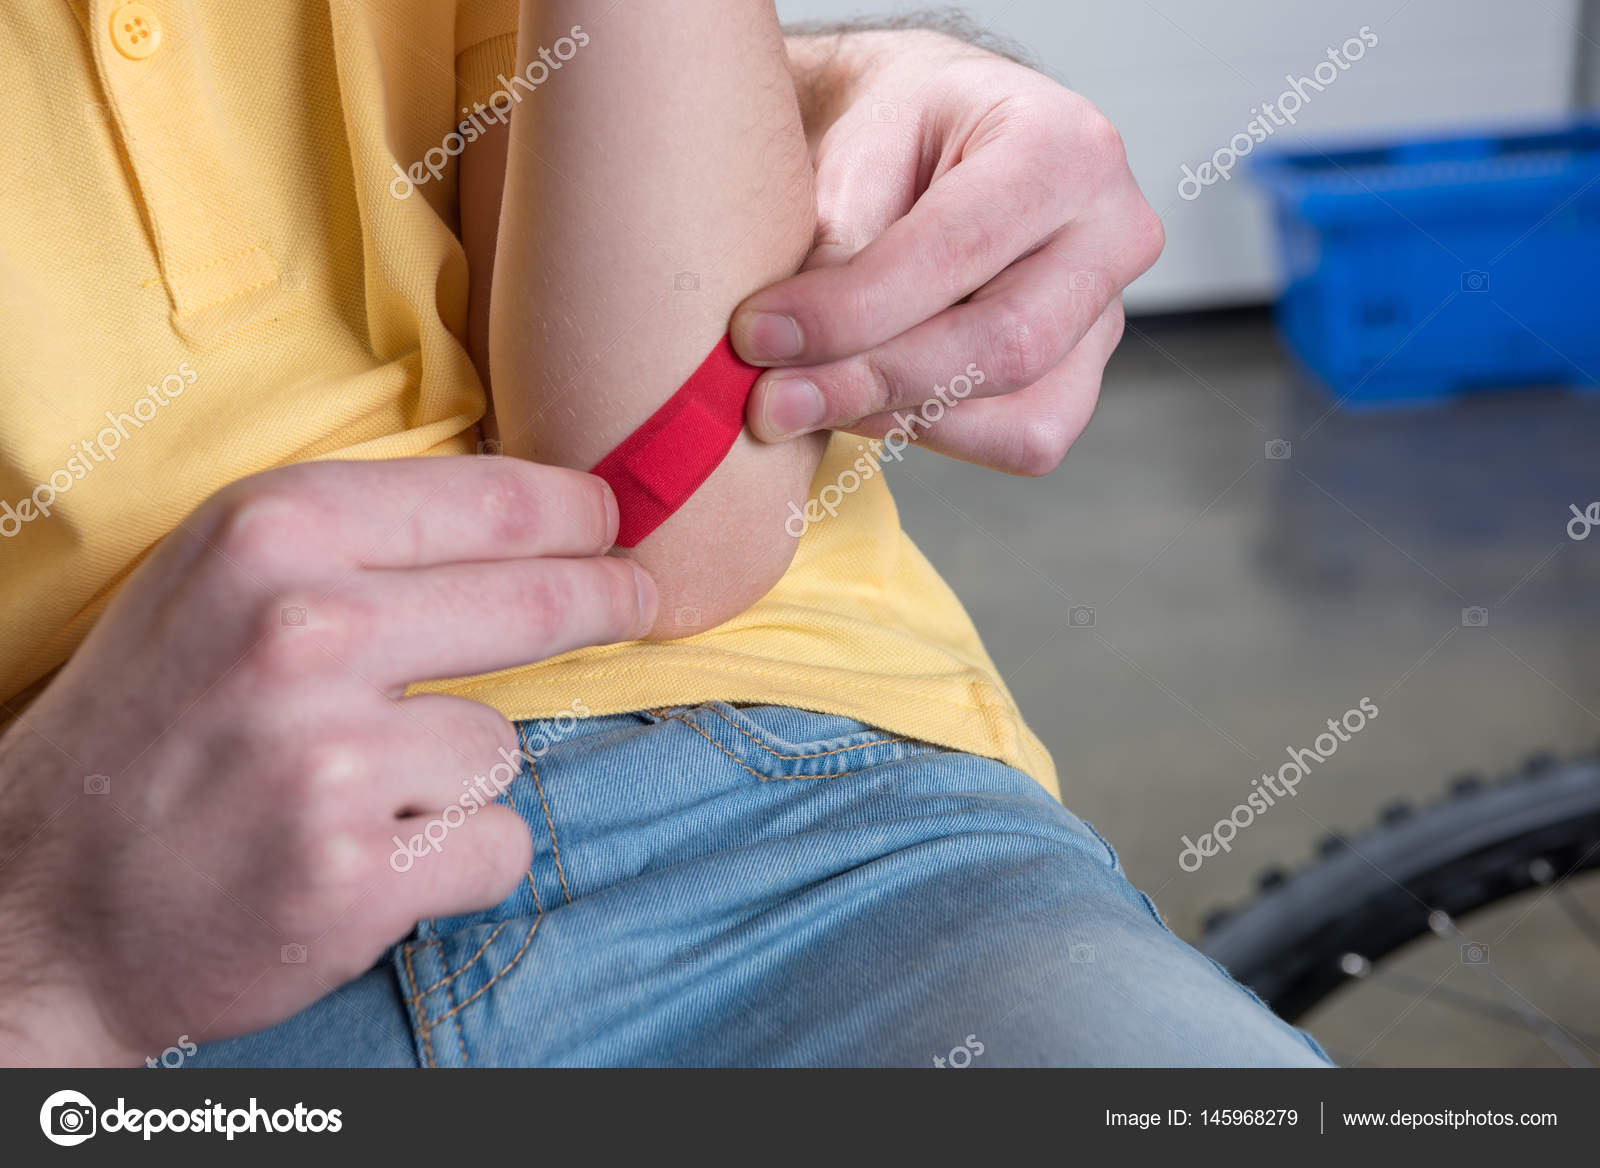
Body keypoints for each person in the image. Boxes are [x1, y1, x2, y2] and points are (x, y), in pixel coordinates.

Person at [0, 2, 1324, 1066]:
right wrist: (45, 945)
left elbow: (670, 542)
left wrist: (826, 85)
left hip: (785, 788)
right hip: (122, 928)